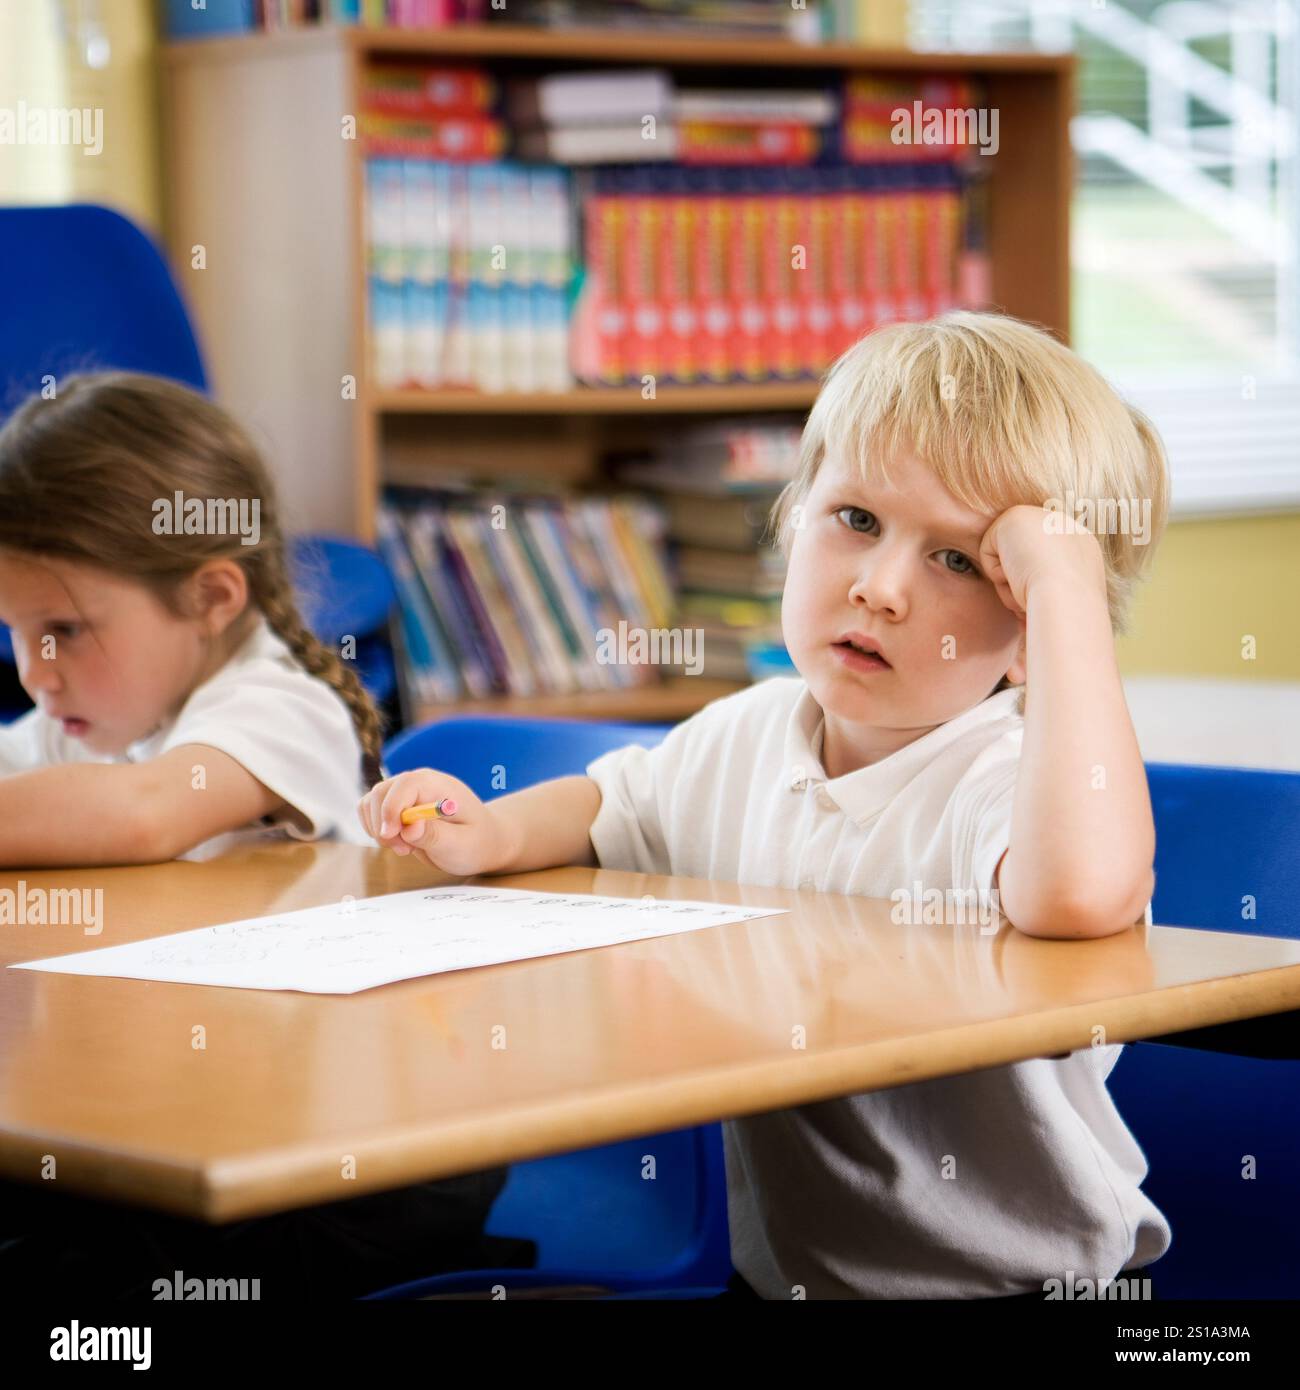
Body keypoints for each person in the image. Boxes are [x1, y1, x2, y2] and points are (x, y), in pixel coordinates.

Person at [360, 311, 1173, 1300]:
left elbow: (1080, 895)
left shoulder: (1003, 774)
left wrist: (1069, 592)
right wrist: (488, 830)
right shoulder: (747, 731)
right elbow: (611, 804)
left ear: (1032, 632)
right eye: (857, 520)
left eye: (958, 560)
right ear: (793, 516)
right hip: (786, 1277)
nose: (878, 589)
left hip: (1015, 1290)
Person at [0, 372, 518, 1297]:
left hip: (358, 1169)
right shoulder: (86, 714)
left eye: (65, 630)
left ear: (211, 596)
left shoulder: (284, 706)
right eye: (15, 633)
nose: (37, 674)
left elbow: (144, 814)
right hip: (194, 1129)